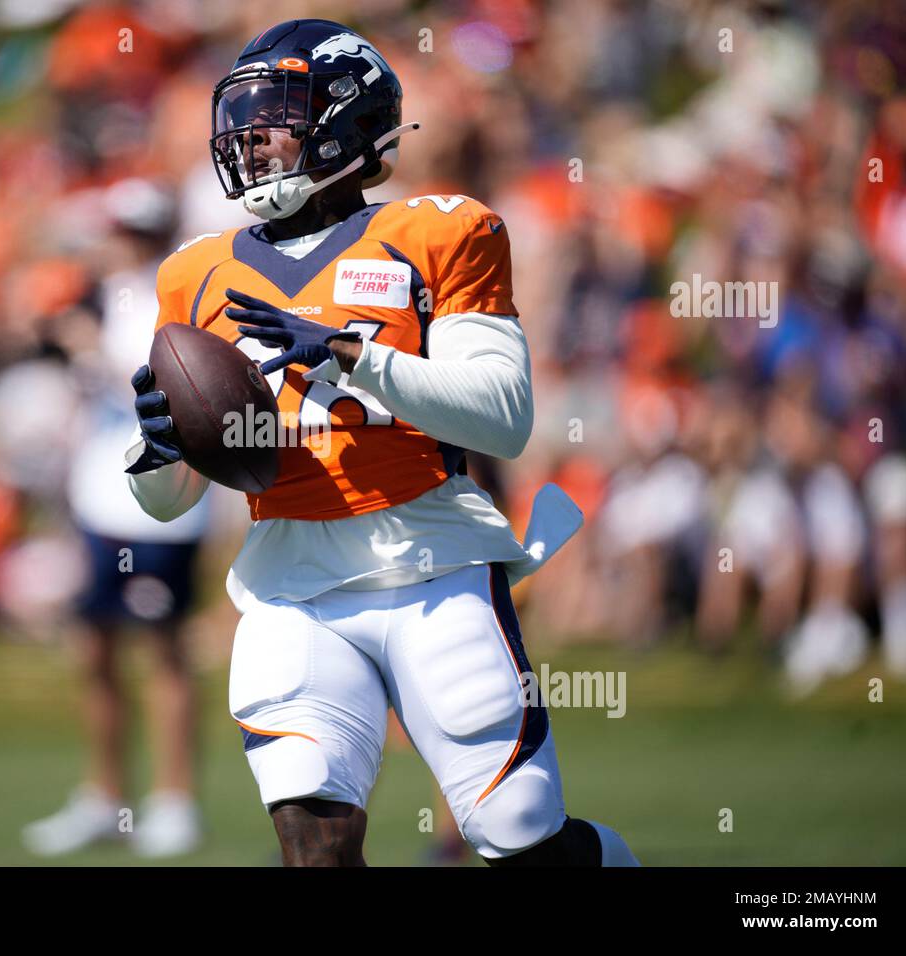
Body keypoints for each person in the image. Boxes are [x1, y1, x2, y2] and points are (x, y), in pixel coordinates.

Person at [124, 20, 638, 866]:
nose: (248, 137)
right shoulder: (194, 272)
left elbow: (503, 415)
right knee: (313, 844)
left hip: (432, 563)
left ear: (344, 123)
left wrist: (352, 355)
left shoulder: (442, 231)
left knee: (516, 835)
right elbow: (170, 499)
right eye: (240, 117)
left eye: (275, 114)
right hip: (290, 582)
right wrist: (158, 451)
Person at [23, 181, 207, 858]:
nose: (118, 243)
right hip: (99, 497)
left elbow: (169, 390)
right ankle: (105, 797)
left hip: (161, 505)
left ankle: (174, 799)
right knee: (95, 649)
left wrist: (86, 348)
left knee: (163, 653)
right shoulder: (100, 294)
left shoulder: (174, 296)